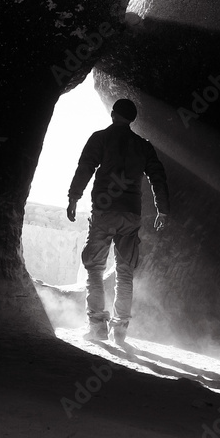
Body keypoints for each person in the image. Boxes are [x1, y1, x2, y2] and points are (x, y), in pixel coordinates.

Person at [66, 98, 170, 345]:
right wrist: (162, 210)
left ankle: (97, 327)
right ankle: (120, 329)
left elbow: (85, 167)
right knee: (125, 273)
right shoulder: (143, 146)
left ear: (113, 114)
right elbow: (158, 176)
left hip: (104, 211)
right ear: (132, 120)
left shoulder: (100, 138)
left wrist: (73, 197)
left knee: (94, 268)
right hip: (131, 214)